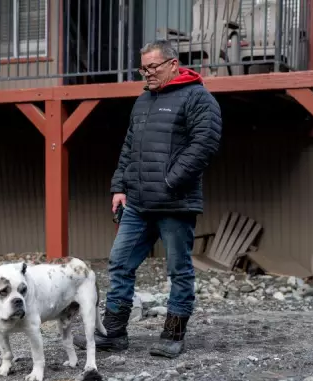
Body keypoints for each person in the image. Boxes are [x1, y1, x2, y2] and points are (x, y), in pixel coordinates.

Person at [73, 40, 222, 358]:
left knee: (179, 270)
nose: (148, 74)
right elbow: (129, 147)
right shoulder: (143, 101)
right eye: (143, 68)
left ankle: (173, 334)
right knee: (120, 264)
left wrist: (170, 181)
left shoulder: (198, 97)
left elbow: (204, 143)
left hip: (175, 202)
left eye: (153, 67)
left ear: (173, 63)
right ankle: (114, 333)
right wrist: (119, 187)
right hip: (137, 203)